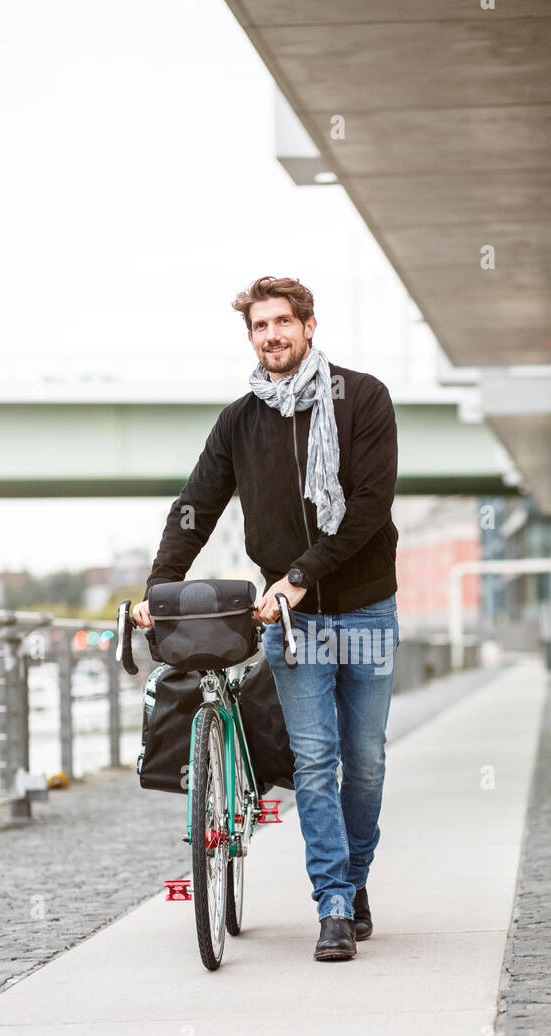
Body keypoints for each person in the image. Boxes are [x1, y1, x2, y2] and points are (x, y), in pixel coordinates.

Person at [132, 275, 400, 962]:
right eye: (260, 326)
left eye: (284, 322)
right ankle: (334, 904)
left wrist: (302, 576)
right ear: (251, 337)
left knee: (364, 764)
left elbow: (369, 507)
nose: (272, 335)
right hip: (292, 622)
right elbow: (195, 507)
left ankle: (355, 881)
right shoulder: (241, 420)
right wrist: (160, 591)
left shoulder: (362, 397)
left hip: (365, 607)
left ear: (310, 326)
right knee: (315, 761)